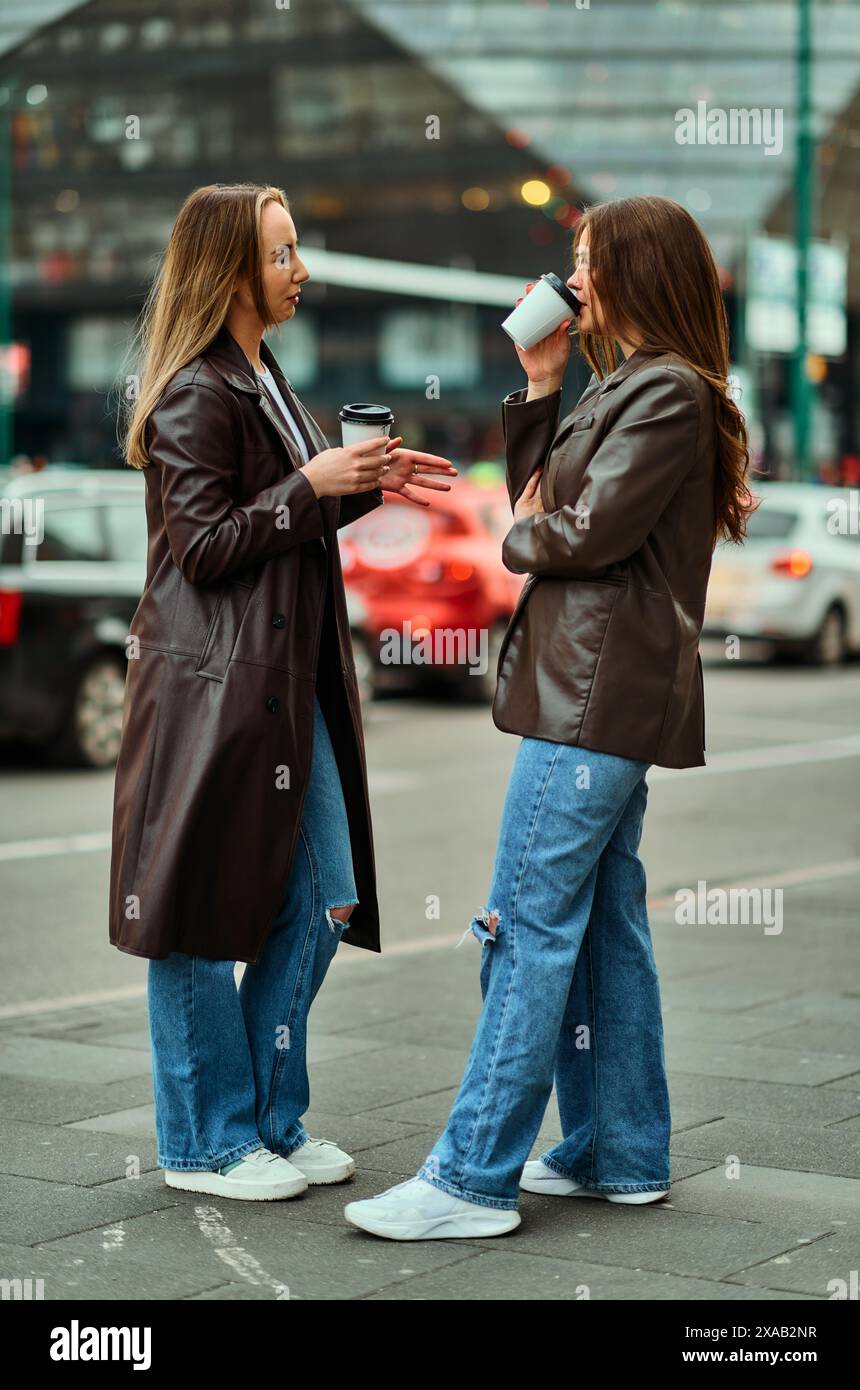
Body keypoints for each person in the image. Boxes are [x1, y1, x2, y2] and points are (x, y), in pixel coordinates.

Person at [345, 194, 753, 1240]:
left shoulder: (664, 392)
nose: (571, 280)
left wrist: (518, 535)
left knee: (523, 923)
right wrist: (539, 381)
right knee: (604, 927)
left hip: (594, 698)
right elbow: (555, 493)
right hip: (598, 692)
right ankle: (619, 1151)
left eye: (586, 261)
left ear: (632, 271)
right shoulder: (629, 385)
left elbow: (580, 529)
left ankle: (470, 1176)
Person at [111, 182, 456, 1200]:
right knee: (189, 914)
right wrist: (313, 487)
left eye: (297, 249)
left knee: (325, 900)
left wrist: (354, 488)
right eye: (282, 253)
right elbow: (205, 546)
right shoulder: (192, 391)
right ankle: (205, 1143)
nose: (301, 269)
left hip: (284, 684)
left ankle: (267, 1115)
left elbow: (282, 527)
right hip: (211, 689)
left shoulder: (266, 379)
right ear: (229, 269)